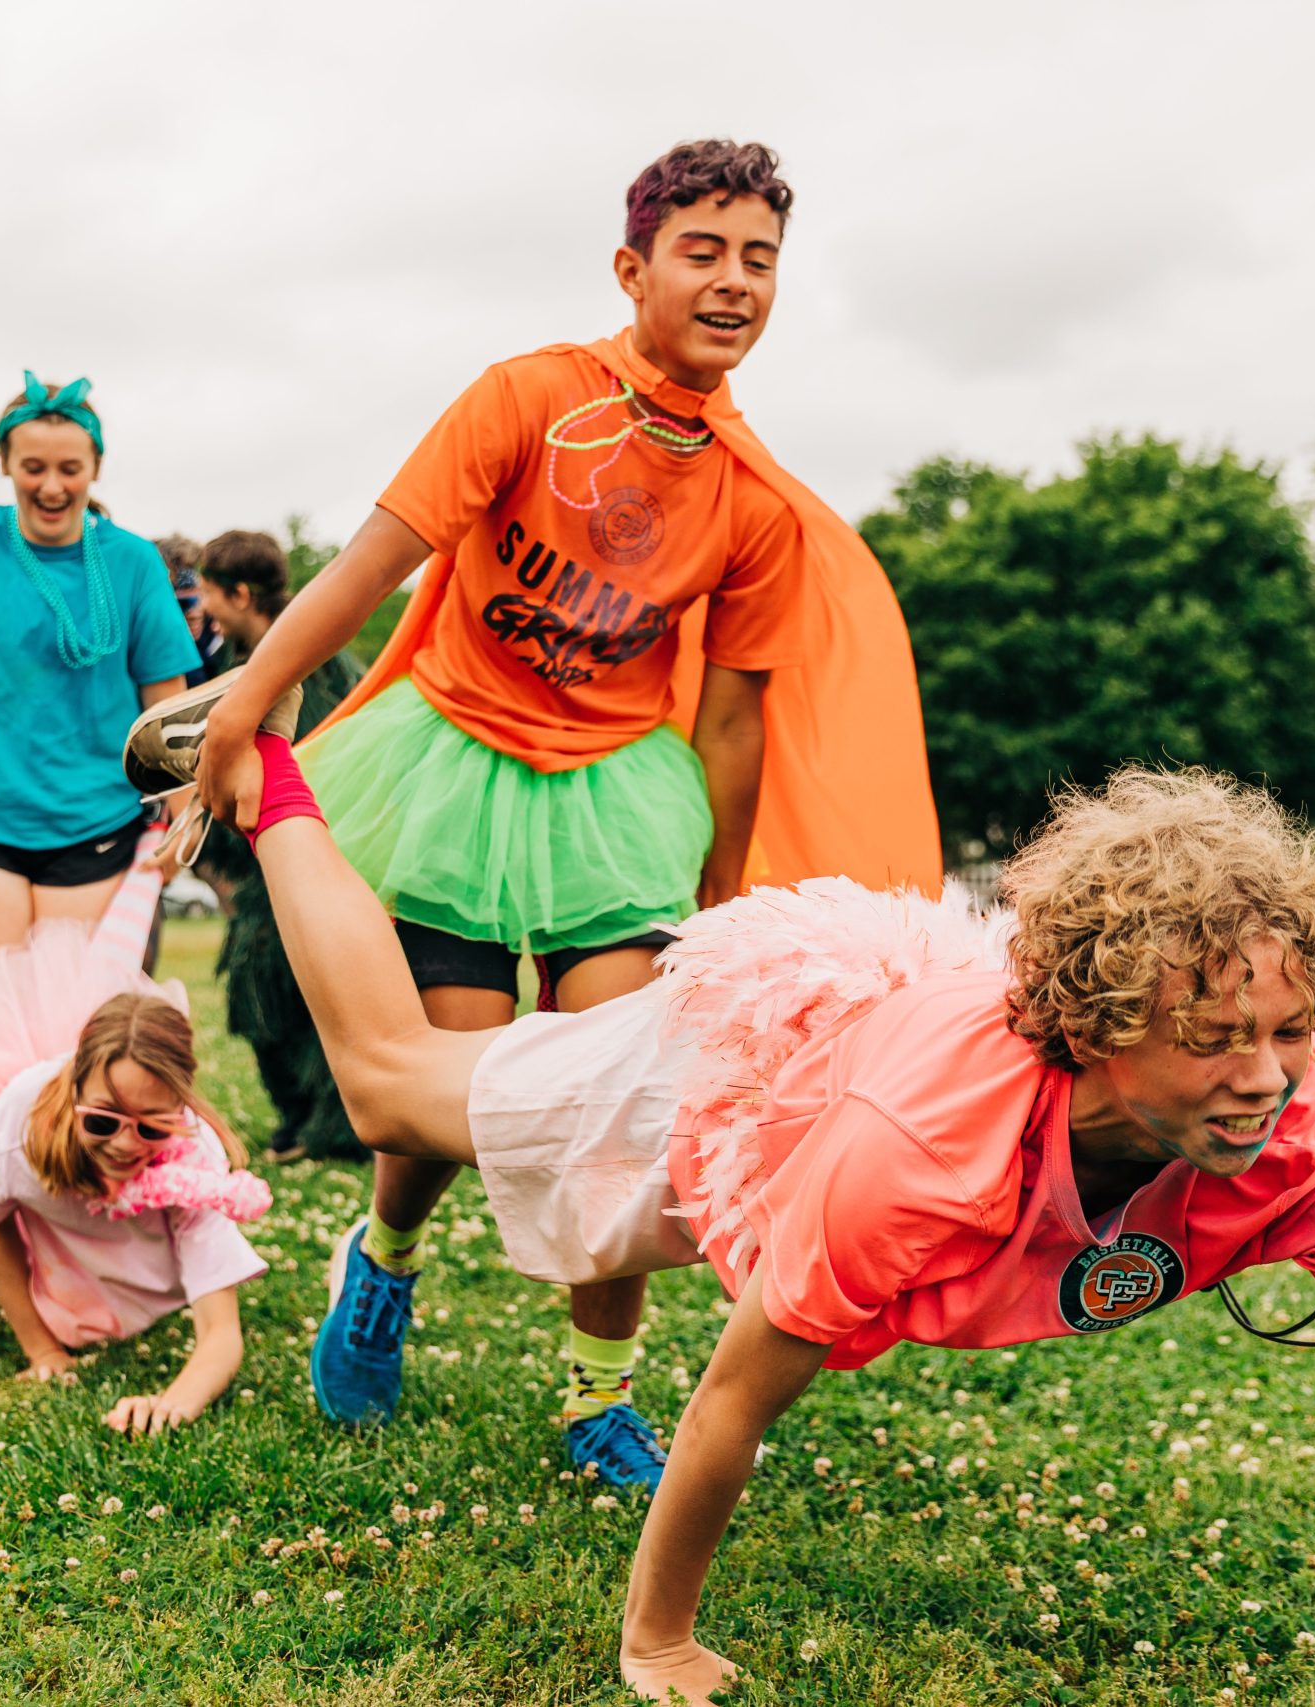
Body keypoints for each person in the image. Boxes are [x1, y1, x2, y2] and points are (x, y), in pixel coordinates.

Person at [134, 715, 1315, 1707]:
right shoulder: (917, 1146)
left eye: (1292, 1028)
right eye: (1215, 1034)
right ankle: (266, 779)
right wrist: (655, 1637)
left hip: (889, 1032)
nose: (1266, 1080)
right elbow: (732, 1397)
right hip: (740, 1067)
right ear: (1097, 1022)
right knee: (398, 1089)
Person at [172, 140, 941, 1486]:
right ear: (633, 267)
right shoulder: (526, 396)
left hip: (615, 800)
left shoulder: (752, 500)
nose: (735, 281)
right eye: (704, 251)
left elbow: (734, 716)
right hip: (455, 770)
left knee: (631, 1103)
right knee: (442, 1099)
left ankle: (599, 1397)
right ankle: (386, 1258)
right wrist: (249, 700)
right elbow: (369, 567)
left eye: (760, 259)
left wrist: (722, 904)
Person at [0, 762, 268, 1435]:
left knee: (115, 956)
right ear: (73, 1089)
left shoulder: (195, 1162)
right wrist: (40, 1346)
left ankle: (152, 834)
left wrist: (170, 1403)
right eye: (105, 1121)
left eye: (152, 1129)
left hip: (82, 1060)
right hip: (9, 1063)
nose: (128, 1143)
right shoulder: (13, 1121)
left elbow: (221, 1334)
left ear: (180, 1111)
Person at [0, 374, 205, 954]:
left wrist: (184, 816)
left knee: (74, 1018)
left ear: (96, 468)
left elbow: (166, 702)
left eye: (70, 469)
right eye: (33, 467)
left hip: (98, 822)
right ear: (4, 463)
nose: (52, 487)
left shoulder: (133, 562)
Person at [193, 528, 368, 1161]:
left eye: (209, 593)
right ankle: (301, 1120)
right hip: (257, 856)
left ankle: (332, 1129)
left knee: (304, 991)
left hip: (310, 845)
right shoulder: (236, 661)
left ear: (239, 593)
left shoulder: (310, 658)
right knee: (261, 994)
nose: (203, 608)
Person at [156, 534, 228, 686]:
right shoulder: (157, 643)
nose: (193, 613)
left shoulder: (222, 636)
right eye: (183, 603)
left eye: (200, 597)